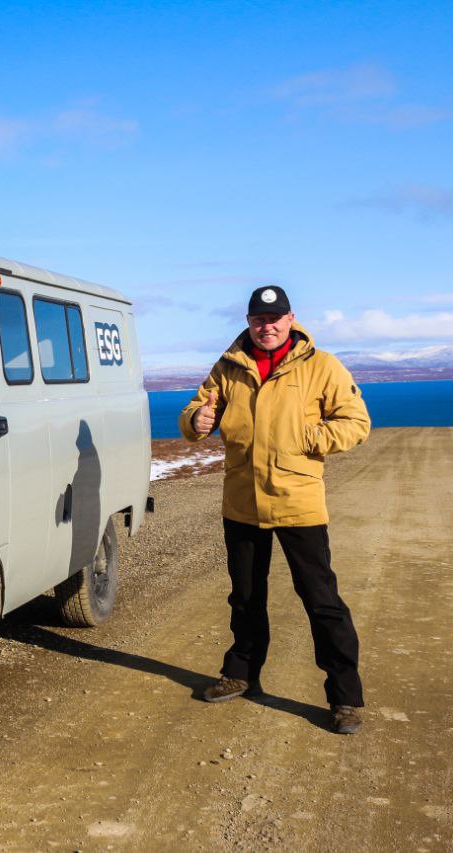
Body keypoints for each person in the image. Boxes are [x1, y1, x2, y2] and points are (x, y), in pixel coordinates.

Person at [179, 285, 370, 734]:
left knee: (322, 601)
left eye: (275, 318)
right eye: (258, 319)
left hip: (298, 503)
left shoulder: (321, 366)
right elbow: (196, 411)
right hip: (242, 501)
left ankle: (345, 697)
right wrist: (196, 421)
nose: (267, 327)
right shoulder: (228, 367)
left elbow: (356, 423)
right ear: (249, 322)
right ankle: (240, 673)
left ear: (291, 319)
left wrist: (306, 440)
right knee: (245, 597)